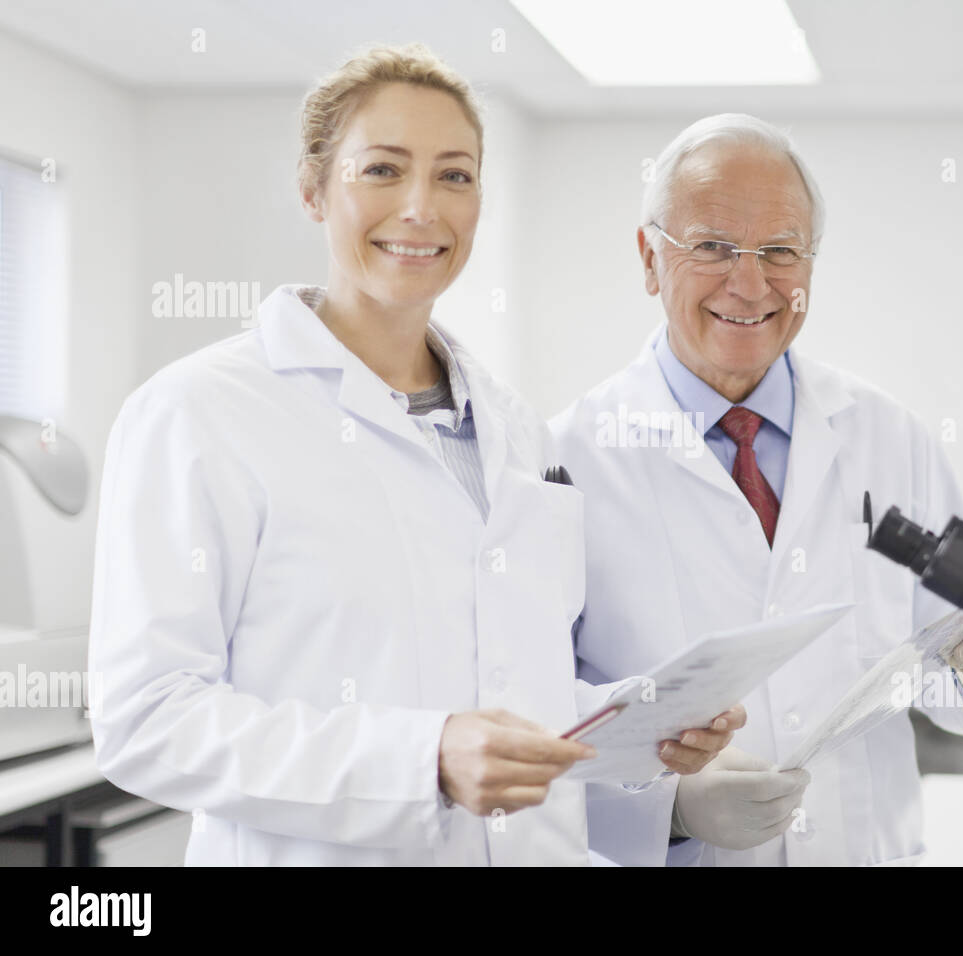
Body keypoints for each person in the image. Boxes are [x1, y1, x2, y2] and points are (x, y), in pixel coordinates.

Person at [88, 44, 737, 867]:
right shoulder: (198, 412)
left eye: (455, 176)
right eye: (384, 170)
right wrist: (420, 758)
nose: (422, 208)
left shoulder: (512, 428)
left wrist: (640, 723)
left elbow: (507, 690)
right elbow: (147, 718)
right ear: (313, 188)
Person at [550, 114, 963, 866]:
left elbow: (959, 669)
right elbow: (536, 728)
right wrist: (671, 810)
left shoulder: (892, 438)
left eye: (781, 251)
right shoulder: (564, 461)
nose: (750, 284)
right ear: (650, 259)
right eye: (711, 247)